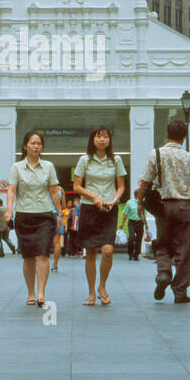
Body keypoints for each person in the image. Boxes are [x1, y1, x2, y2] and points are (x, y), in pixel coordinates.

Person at [137, 120, 190, 304]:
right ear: (184, 138)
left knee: (163, 243)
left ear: (167, 134)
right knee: (184, 251)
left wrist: (139, 203)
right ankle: (180, 292)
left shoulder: (156, 154)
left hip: (163, 207)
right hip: (184, 207)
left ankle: (163, 274)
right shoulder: (188, 157)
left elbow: (144, 181)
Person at [5, 130, 60, 307]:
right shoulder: (17, 167)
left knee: (42, 253)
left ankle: (41, 292)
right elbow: (12, 189)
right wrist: (9, 210)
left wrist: (59, 213)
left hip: (44, 215)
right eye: (33, 143)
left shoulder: (48, 166)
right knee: (28, 256)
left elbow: (53, 191)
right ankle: (30, 292)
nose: (36, 146)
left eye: (39, 144)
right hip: (24, 216)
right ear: (25, 146)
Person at [73, 126, 127, 307]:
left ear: (110, 140)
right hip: (89, 209)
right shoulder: (84, 160)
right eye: (98, 136)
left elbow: (121, 186)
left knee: (108, 250)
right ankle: (90, 294)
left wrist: (115, 199)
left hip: (109, 209)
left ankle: (102, 286)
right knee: (90, 253)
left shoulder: (116, 160)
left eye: (105, 137)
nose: (102, 140)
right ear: (92, 139)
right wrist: (94, 197)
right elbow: (77, 186)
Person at [123, 193, 144, 261]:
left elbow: (144, 213)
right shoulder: (129, 202)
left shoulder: (143, 202)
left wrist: (146, 223)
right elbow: (125, 213)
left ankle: (136, 255)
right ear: (137, 195)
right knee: (131, 237)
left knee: (139, 238)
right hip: (132, 222)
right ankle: (130, 254)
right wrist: (122, 223)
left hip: (140, 222)